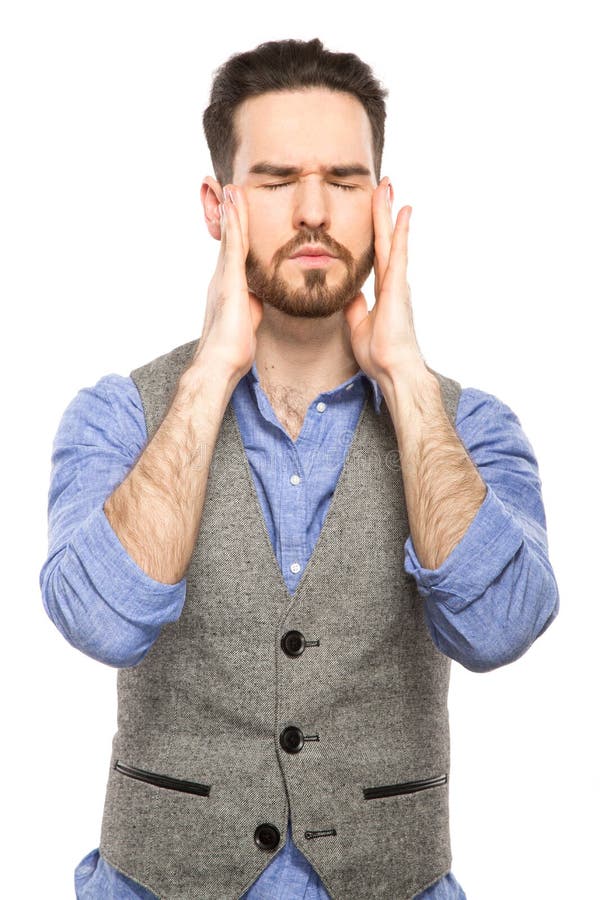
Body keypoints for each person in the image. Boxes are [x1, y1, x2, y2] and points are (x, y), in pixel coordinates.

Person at [40, 37, 560, 900]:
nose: (314, 211)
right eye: (278, 182)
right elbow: (100, 622)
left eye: (345, 182)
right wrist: (211, 374)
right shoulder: (118, 414)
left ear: (380, 204)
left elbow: (502, 628)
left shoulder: (470, 425)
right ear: (218, 206)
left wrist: (405, 377)